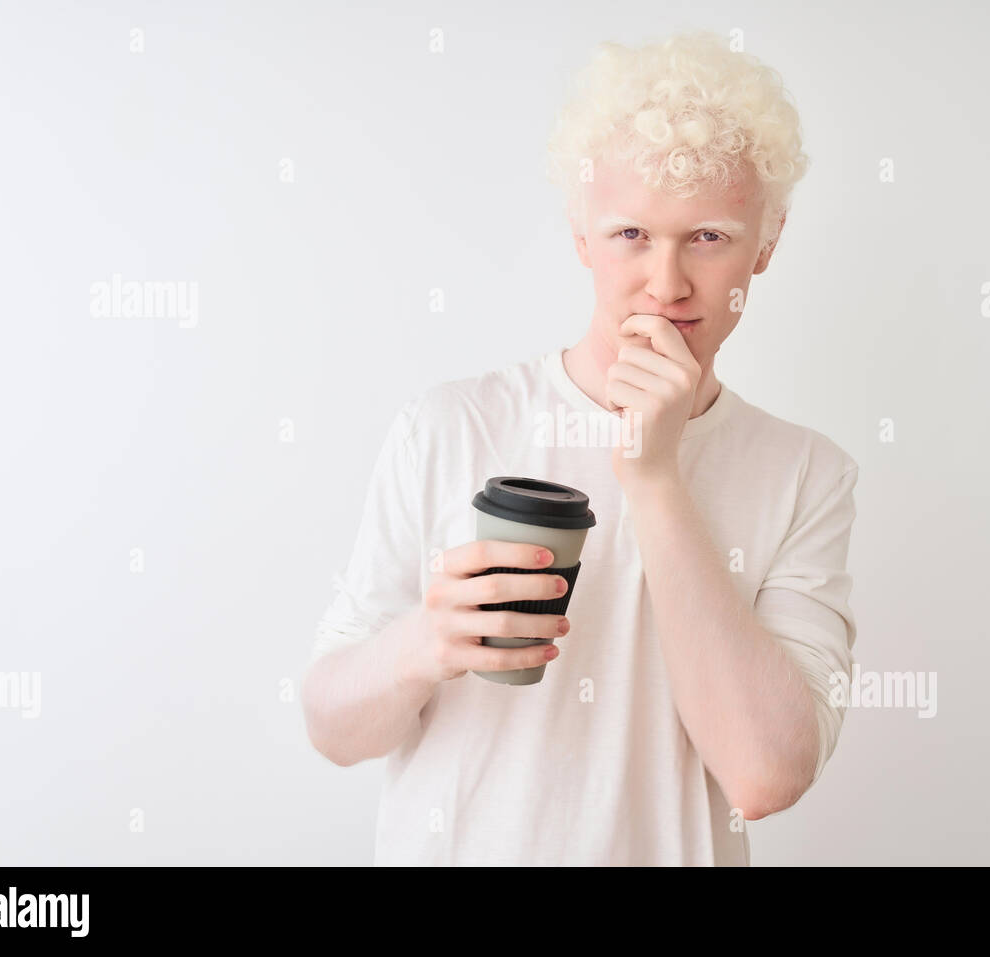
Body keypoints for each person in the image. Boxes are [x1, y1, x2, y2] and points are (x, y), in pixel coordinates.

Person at [300, 30, 859, 866]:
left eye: (708, 237)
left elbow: (766, 776)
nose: (666, 283)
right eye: (631, 232)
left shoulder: (806, 473)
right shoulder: (449, 425)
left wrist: (656, 475)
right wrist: (425, 642)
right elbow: (330, 727)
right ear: (581, 237)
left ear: (767, 245)